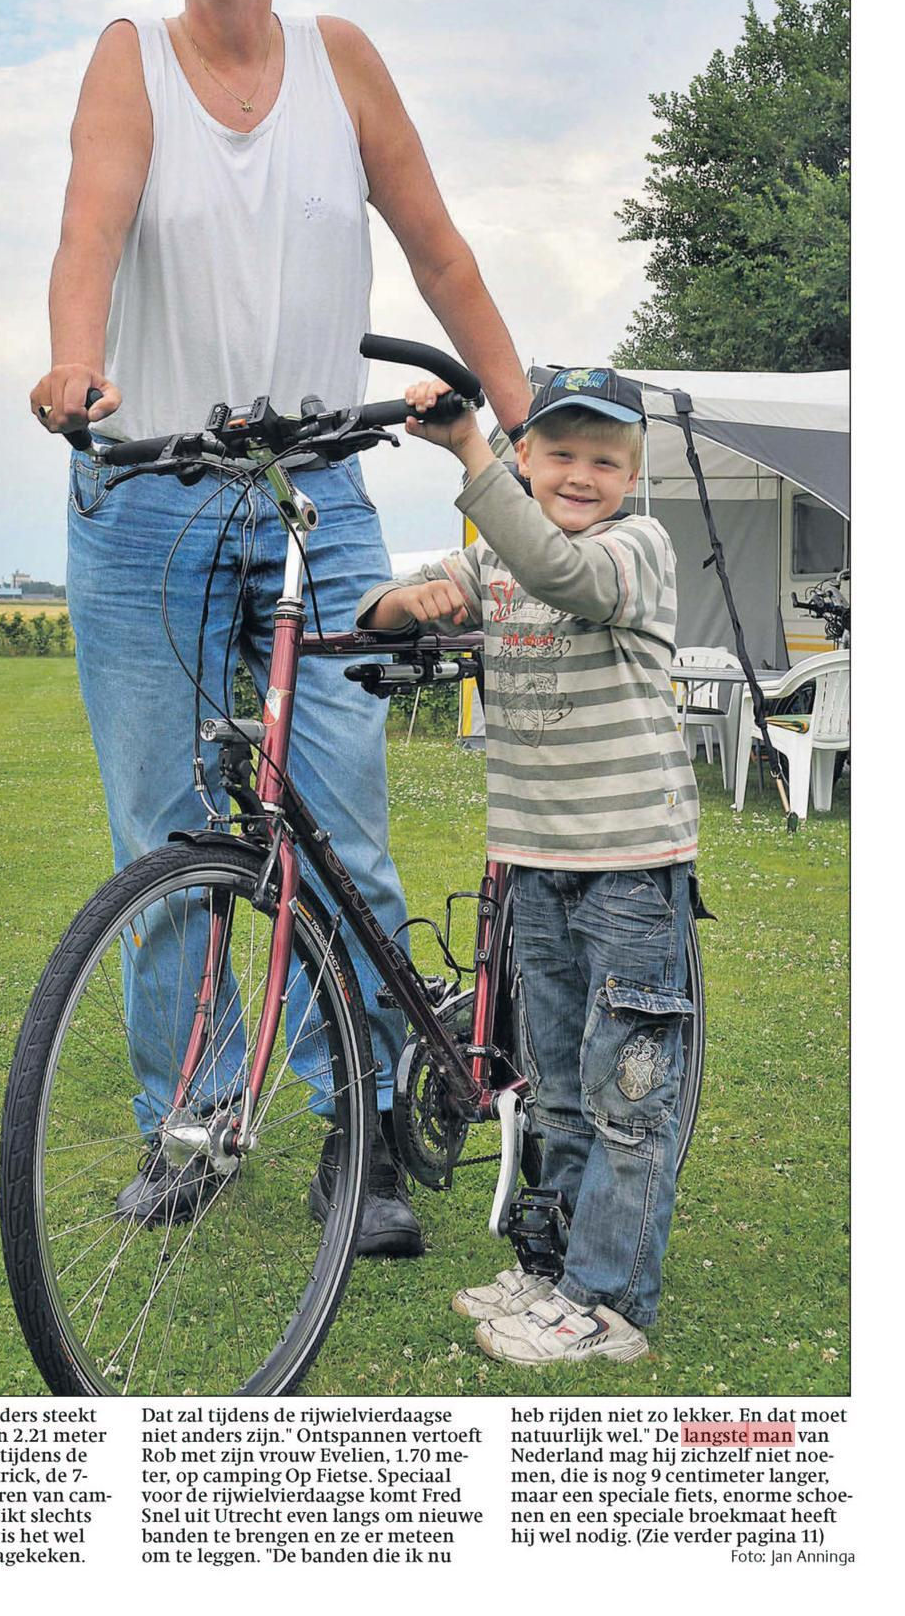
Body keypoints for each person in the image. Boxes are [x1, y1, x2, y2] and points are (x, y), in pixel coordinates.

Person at [30, 0, 531, 1256]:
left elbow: (436, 245)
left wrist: (524, 410)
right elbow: (92, 225)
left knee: (343, 827)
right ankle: (189, 1124)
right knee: (172, 837)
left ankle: (356, 1127)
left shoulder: (340, 62)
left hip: (320, 490)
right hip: (149, 499)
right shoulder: (130, 58)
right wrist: (75, 367)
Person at [358, 366, 699, 1356]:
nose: (580, 473)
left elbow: (564, 575)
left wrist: (469, 449)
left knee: (625, 1093)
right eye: (559, 452)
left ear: (630, 477)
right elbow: (410, 596)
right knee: (550, 1087)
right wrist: (404, 604)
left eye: (604, 459)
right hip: (536, 865)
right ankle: (546, 1272)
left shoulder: (634, 549)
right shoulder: (495, 558)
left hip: (630, 867)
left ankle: (610, 1305)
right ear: (528, 458)